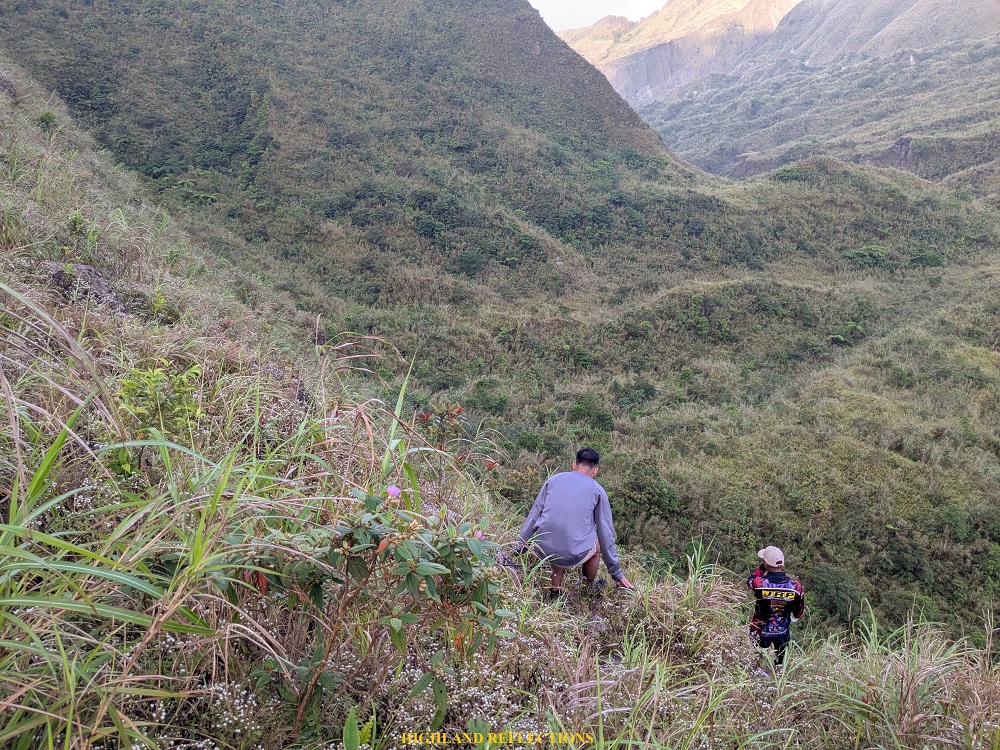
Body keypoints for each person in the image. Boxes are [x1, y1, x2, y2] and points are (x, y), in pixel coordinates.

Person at [517, 447, 634, 596]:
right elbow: (605, 532)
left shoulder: (554, 480)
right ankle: (586, 587)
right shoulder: (597, 490)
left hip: (543, 548)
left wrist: (521, 545)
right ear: (595, 470)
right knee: (596, 547)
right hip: (570, 554)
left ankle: (555, 592)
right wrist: (616, 573)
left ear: (574, 465)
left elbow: (535, 513)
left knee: (558, 535)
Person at [746, 545, 805, 669]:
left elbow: (750, 580)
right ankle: (777, 682)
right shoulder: (796, 587)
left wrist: (763, 567)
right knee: (780, 665)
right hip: (782, 632)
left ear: (766, 564)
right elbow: (798, 612)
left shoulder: (760, 583)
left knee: (754, 662)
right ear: (782, 564)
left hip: (759, 630)